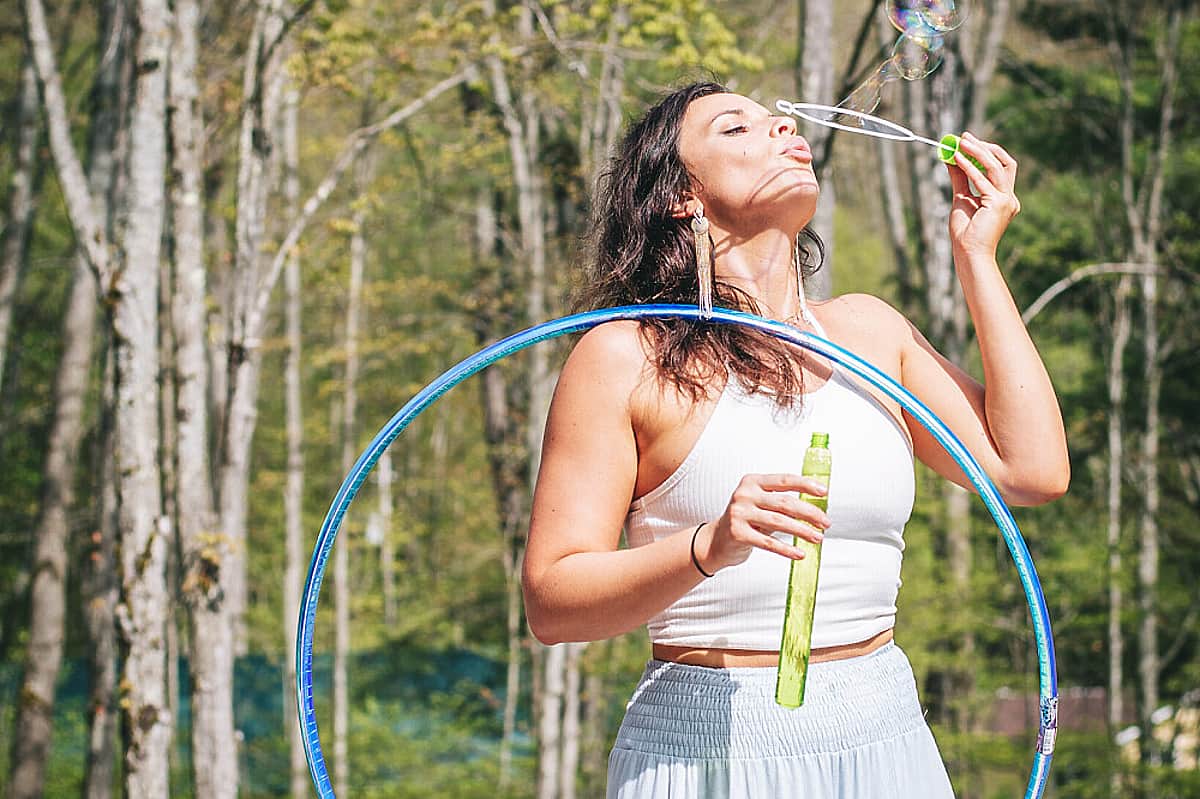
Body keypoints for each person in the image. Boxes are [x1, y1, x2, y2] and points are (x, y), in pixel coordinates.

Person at [521, 81, 1069, 798]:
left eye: (777, 120)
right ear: (681, 196)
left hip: (886, 736)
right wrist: (708, 545)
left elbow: (1030, 471)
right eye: (735, 128)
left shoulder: (871, 331)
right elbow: (552, 601)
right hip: (707, 747)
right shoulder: (627, 356)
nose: (780, 128)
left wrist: (977, 255)